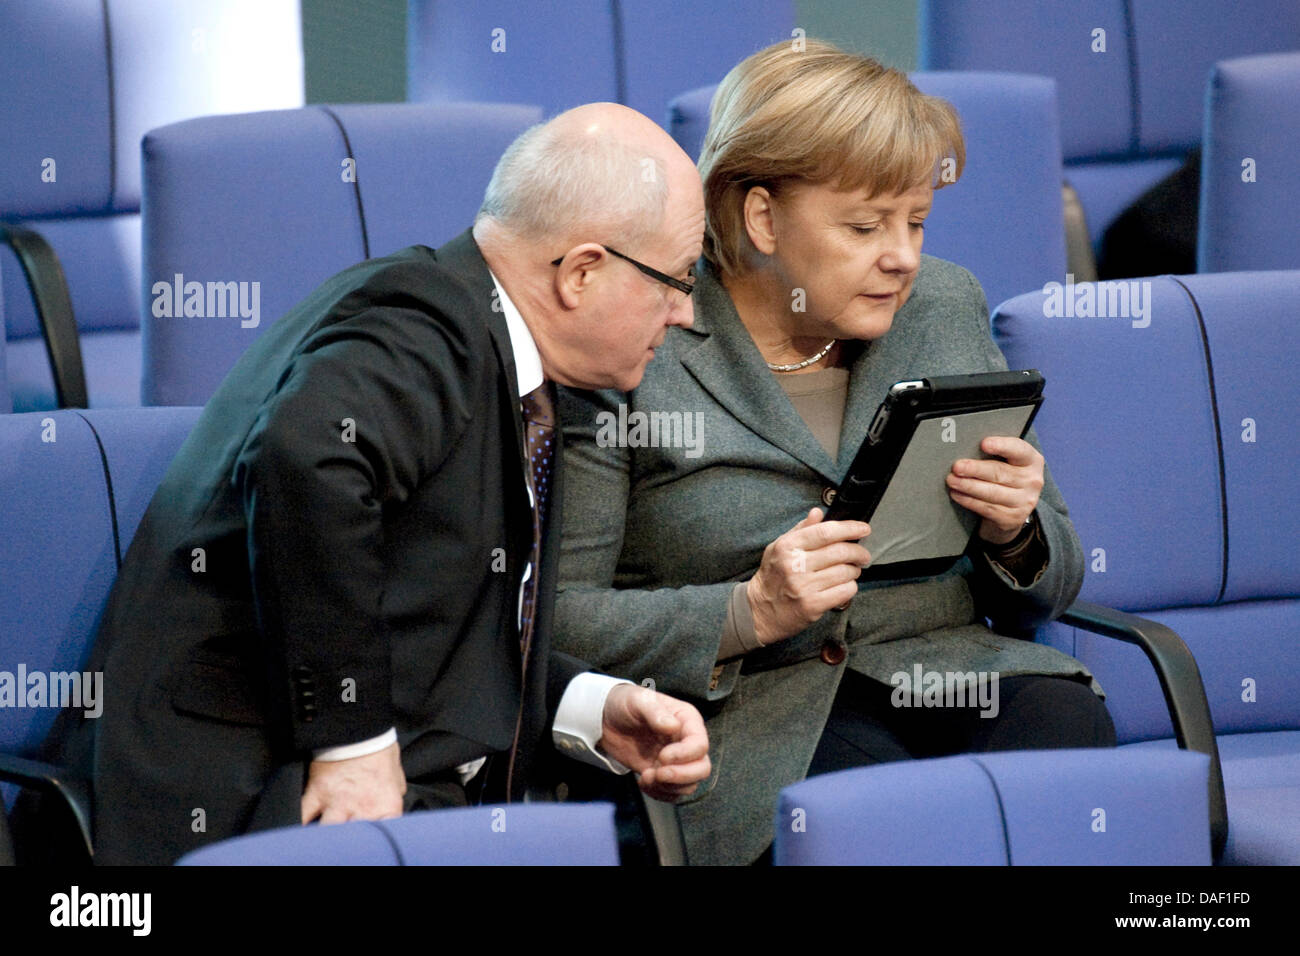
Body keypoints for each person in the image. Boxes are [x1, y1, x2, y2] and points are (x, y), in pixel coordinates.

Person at [18, 102, 710, 865]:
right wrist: (350, 740)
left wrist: (590, 707)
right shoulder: (425, 323)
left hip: (411, 807)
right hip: (245, 806)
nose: (683, 313)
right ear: (582, 272)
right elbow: (305, 457)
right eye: (678, 280)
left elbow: (433, 625)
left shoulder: (509, 361)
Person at [553, 41, 1116, 866]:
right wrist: (747, 611)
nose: (904, 256)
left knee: (1068, 724)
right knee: (885, 820)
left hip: (946, 669)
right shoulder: (640, 336)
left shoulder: (942, 305)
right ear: (762, 219)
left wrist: (1016, 532)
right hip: (753, 714)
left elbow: (1056, 581)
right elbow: (558, 616)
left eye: (916, 221)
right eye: (865, 225)